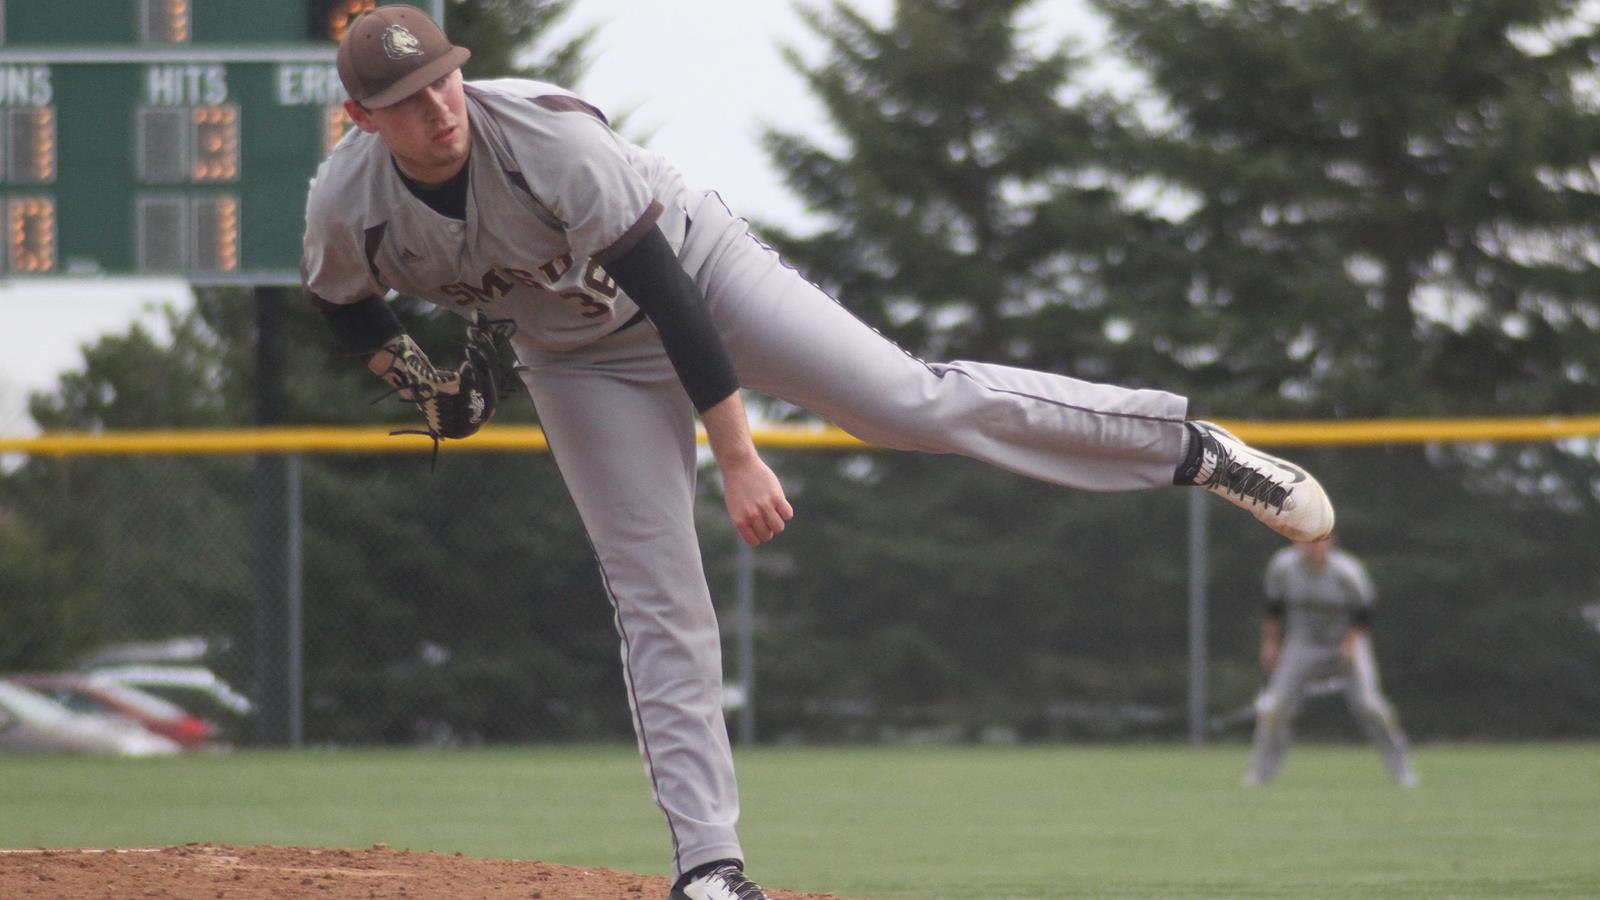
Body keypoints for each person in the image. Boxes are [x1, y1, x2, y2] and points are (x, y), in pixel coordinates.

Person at [301, 7, 1337, 898]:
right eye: (407, 97)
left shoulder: (545, 139)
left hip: (700, 279)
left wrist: (737, 453)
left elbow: (669, 298)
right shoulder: (346, 202)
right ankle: (710, 868)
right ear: (362, 118)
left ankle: (1189, 449)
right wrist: (421, 384)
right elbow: (343, 307)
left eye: (443, 79)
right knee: (653, 590)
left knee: (906, 402)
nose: (439, 108)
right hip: (576, 362)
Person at [1243, 534, 1417, 788]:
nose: (1313, 546)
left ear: (1330, 542)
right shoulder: (1283, 567)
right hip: (1303, 642)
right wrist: (1270, 643)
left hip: (1345, 641)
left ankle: (1402, 769)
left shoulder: (1347, 571)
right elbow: (1273, 608)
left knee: (1370, 705)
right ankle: (1260, 773)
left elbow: (1365, 612)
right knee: (1275, 708)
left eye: (1318, 540)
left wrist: (1349, 644)